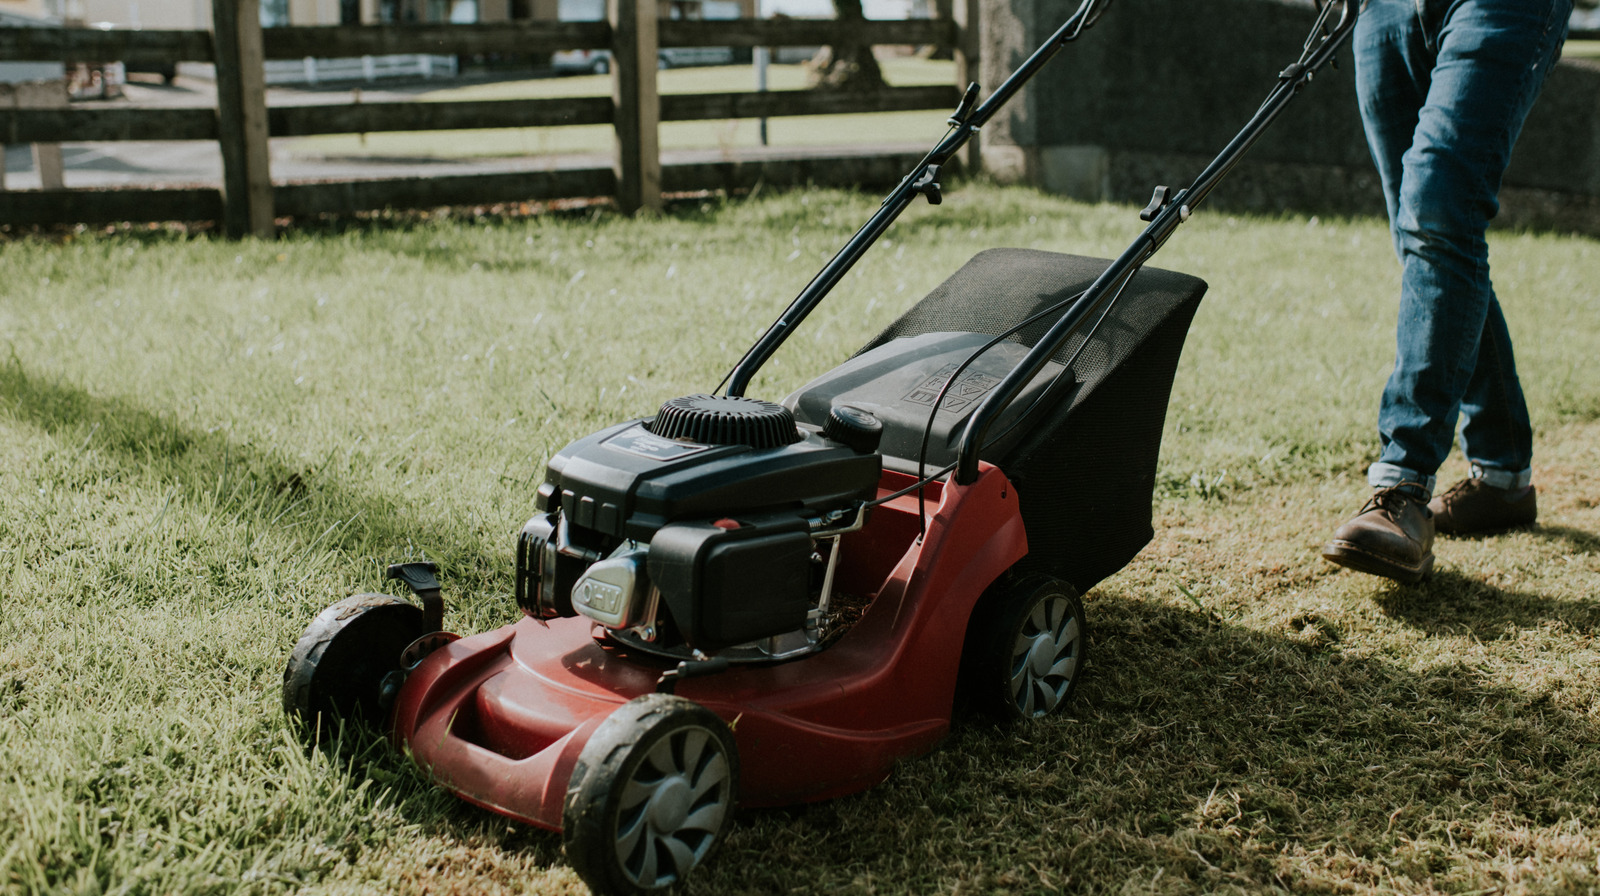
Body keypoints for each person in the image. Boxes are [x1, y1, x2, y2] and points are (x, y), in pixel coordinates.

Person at [1321, 0, 1572, 583]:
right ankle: (1503, 474)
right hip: (1384, 10)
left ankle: (1402, 484)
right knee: (1425, 234)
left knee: (1438, 208)